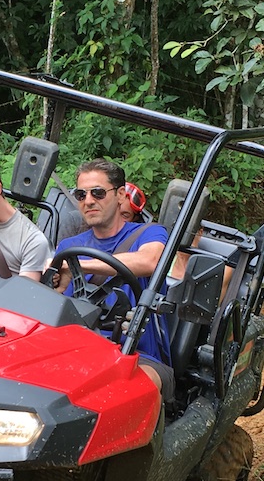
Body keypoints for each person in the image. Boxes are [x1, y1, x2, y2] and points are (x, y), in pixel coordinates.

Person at [53, 158, 174, 399]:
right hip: (73, 351)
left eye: (97, 193)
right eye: (81, 195)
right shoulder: (69, 246)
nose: (88, 201)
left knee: (126, 395)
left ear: (120, 195)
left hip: (137, 355)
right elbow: (52, 303)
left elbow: (149, 261)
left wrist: (79, 265)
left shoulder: (149, 233)